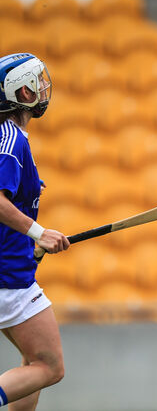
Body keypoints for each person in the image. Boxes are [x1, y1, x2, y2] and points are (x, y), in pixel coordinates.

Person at [0, 53, 70, 409]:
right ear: (22, 93)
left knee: (33, 362)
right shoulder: (10, 139)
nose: (43, 88)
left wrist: (31, 244)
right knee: (50, 366)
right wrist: (38, 232)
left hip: (12, 268)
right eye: (36, 83)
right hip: (6, 278)